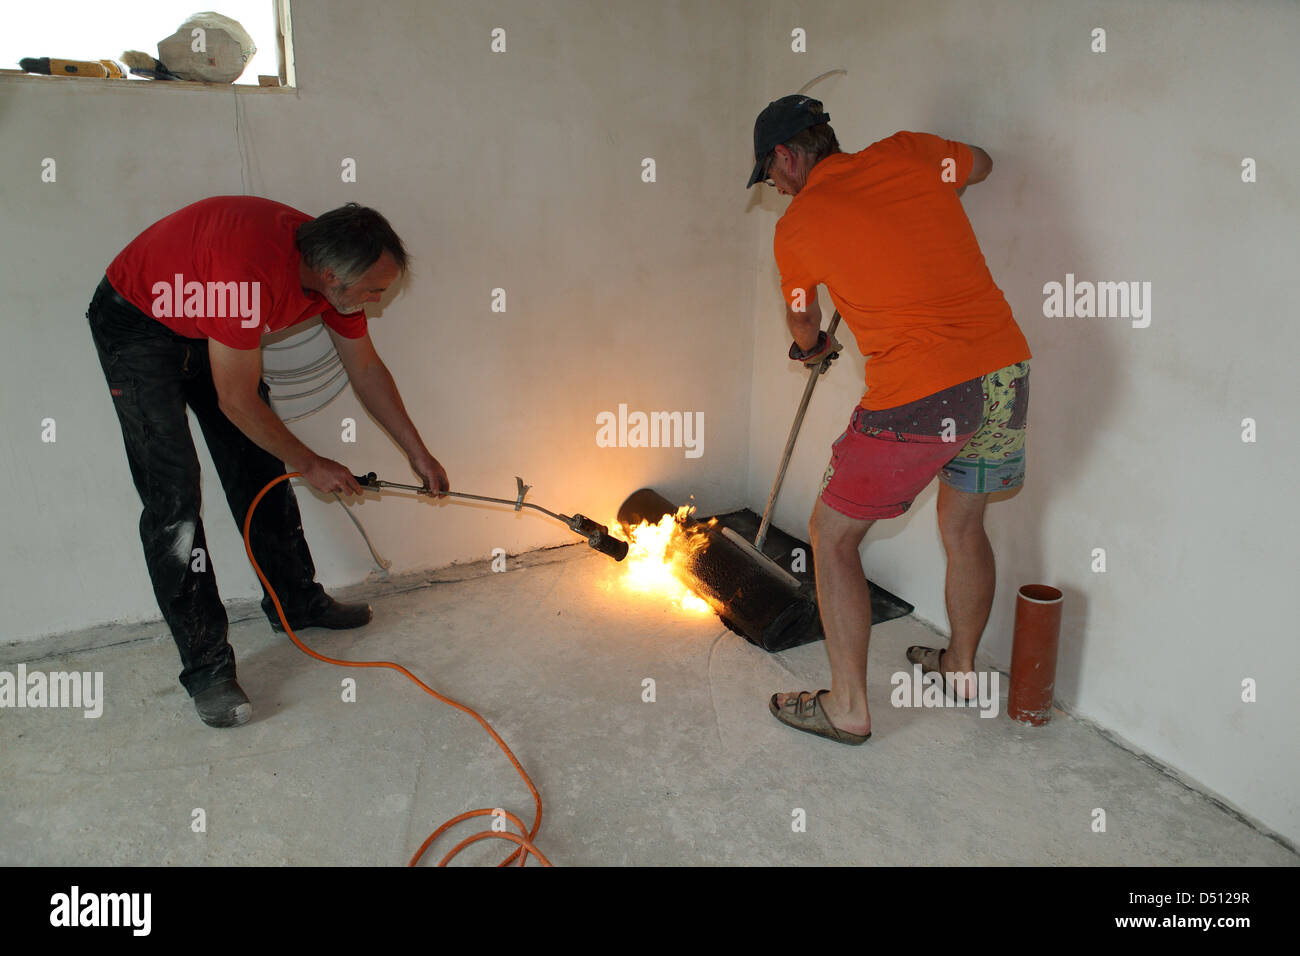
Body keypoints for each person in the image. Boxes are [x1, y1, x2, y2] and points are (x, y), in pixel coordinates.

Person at [87, 197, 449, 728]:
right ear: (332, 275)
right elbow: (236, 400)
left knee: (260, 467)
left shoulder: (333, 281)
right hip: (139, 325)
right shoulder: (248, 277)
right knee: (175, 501)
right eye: (374, 290)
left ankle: (295, 603)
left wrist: (418, 450)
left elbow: (366, 368)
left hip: (205, 318)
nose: (376, 301)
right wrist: (311, 461)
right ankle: (207, 669)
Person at [748, 95, 1032, 744]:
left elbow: (801, 316)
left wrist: (814, 346)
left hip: (923, 394)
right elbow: (980, 164)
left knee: (833, 534)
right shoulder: (909, 153)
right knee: (963, 524)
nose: (774, 187)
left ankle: (846, 706)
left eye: (770, 175)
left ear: (787, 156)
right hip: (1003, 373)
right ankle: (960, 667)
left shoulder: (798, 227)